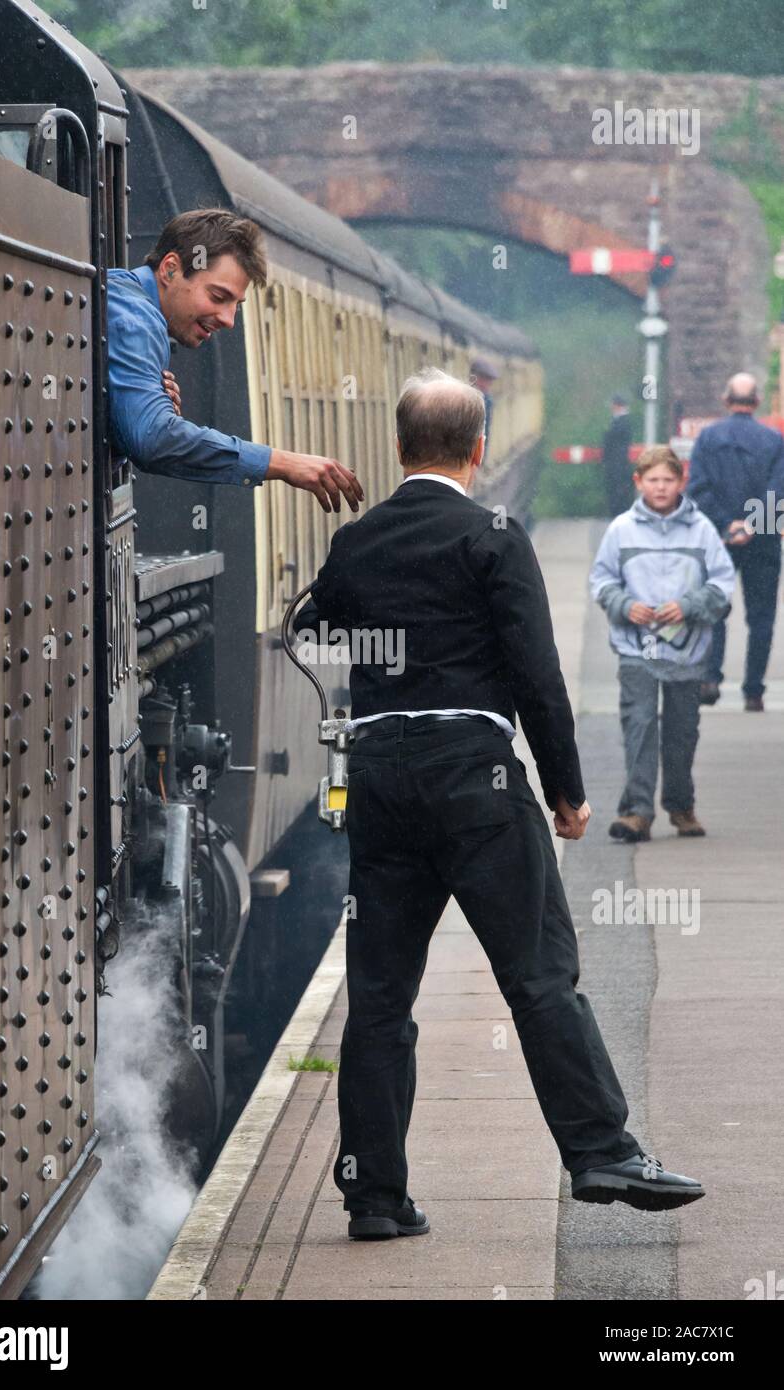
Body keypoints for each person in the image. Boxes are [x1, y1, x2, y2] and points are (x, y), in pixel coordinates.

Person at [294, 367, 704, 1241]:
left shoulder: (359, 539)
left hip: (378, 776)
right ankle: (600, 1152)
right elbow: (536, 673)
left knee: (378, 997)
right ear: (478, 450)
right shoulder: (491, 535)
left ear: (398, 448)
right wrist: (565, 790)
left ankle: (374, 1196)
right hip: (471, 777)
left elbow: (309, 628)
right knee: (537, 974)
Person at [106, 208, 363, 514]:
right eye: (217, 297)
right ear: (170, 269)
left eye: (236, 306)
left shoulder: (123, 296)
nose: (228, 320)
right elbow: (154, 440)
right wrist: (282, 463)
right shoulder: (135, 319)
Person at [589, 445, 735, 842]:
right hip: (637, 647)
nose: (660, 487)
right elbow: (602, 580)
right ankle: (636, 811)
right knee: (638, 726)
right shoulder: (621, 530)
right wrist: (625, 604)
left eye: (668, 480)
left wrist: (688, 606)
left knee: (682, 730)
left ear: (681, 482)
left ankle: (681, 806)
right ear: (638, 482)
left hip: (687, 650)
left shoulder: (702, 529)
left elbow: (722, 582)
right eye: (652, 480)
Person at [685, 372, 784, 710]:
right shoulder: (774, 441)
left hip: (717, 537)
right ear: (756, 402)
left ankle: (710, 678)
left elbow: (698, 487)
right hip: (765, 539)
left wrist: (729, 524)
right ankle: (753, 691)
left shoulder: (708, 439)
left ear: (727, 400)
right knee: (761, 616)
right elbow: (778, 489)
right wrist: (753, 524)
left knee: (715, 608)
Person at [602, 394, 634, 517]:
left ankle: (617, 512)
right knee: (617, 488)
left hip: (618, 462)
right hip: (617, 462)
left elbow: (612, 440)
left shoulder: (622, 422)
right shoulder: (618, 421)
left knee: (618, 489)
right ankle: (616, 512)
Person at [469, 355, 498, 452]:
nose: (486, 385)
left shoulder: (487, 400)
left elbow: (485, 430)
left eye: (489, 381)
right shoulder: (464, 397)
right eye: (483, 379)